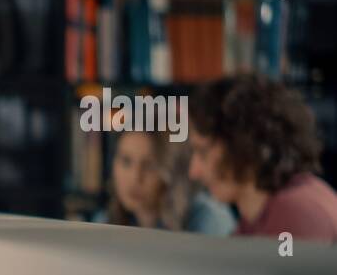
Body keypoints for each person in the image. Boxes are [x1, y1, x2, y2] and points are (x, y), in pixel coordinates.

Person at [188, 74, 337, 243]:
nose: (194, 171)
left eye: (202, 152)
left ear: (242, 144)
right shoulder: (253, 220)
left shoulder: (295, 214)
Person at [92, 129, 235, 235]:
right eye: (126, 161)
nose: (135, 177)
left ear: (170, 171)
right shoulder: (104, 221)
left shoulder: (207, 219)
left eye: (149, 166)